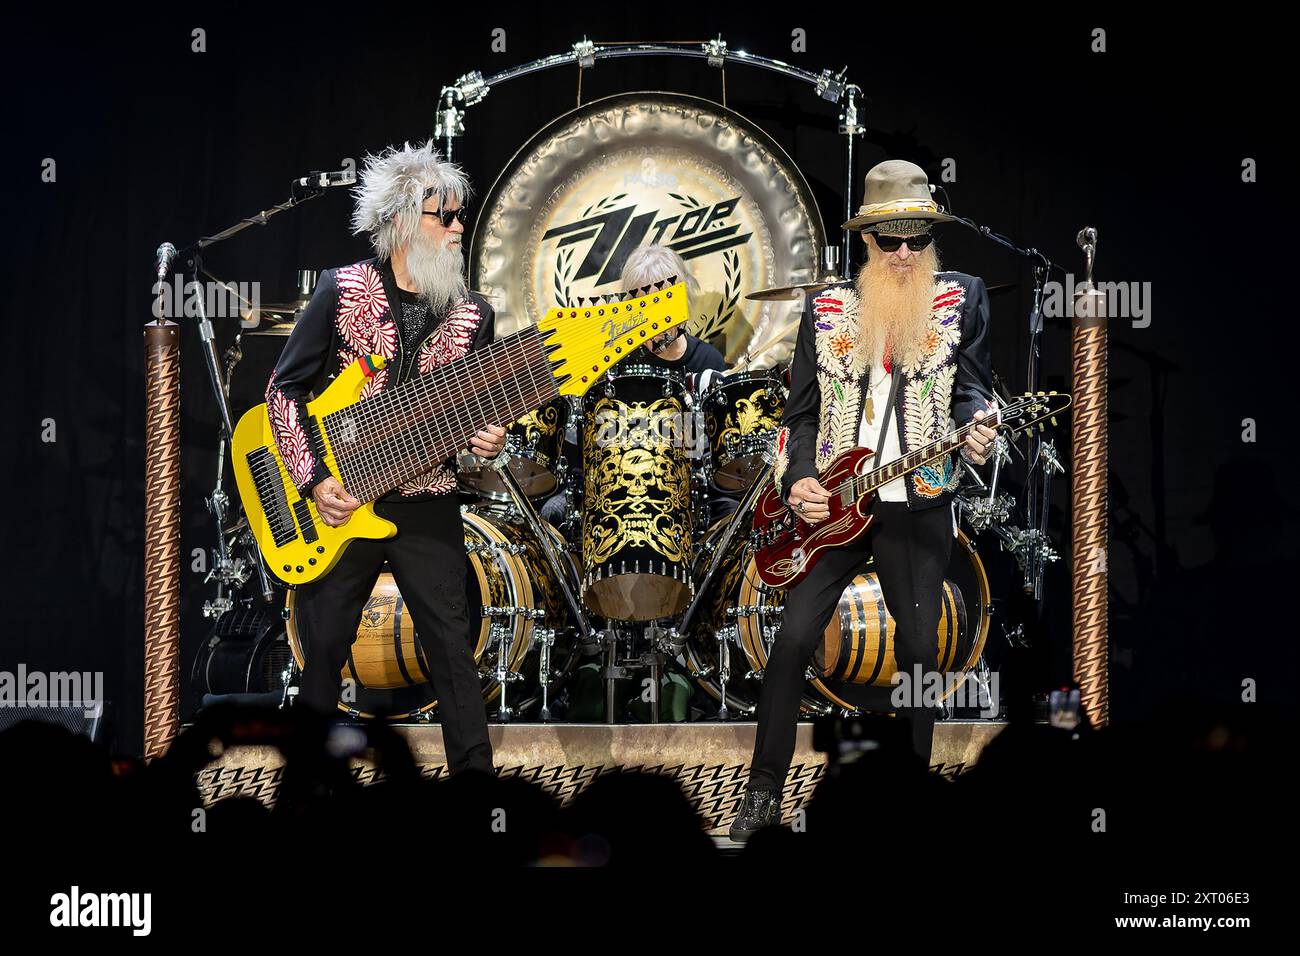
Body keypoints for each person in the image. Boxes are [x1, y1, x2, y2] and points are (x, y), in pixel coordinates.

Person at [730, 160, 998, 840]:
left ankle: (908, 796)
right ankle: (763, 790)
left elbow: (971, 390)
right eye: (889, 240)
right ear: (866, 243)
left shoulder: (960, 298)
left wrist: (979, 428)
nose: (904, 252)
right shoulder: (824, 311)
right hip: (837, 507)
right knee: (790, 641)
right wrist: (796, 479)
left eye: (915, 237)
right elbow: (799, 415)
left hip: (918, 499)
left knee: (916, 648)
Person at [264, 140, 506, 775]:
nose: (459, 228)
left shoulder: (473, 312)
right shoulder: (341, 290)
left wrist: (488, 436)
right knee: (322, 651)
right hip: (343, 504)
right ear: (402, 222)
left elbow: (479, 407)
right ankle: (306, 785)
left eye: (461, 216)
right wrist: (313, 479)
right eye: (444, 216)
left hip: (426, 501)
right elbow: (281, 389)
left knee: (453, 651)